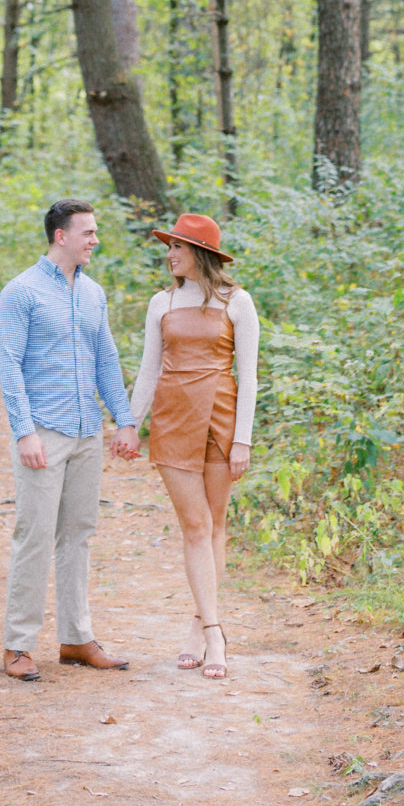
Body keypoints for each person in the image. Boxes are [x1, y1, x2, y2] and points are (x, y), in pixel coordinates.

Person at [0, 197, 139, 682]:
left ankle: (76, 638)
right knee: (34, 536)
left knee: (78, 535)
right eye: (89, 232)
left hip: (85, 432)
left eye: (95, 233)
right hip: (44, 433)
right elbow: (9, 366)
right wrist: (24, 431)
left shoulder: (94, 294)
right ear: (62, 236)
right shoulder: (22, 292)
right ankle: (17, 645)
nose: (95, 240)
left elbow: (106, 360)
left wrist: (124, 419)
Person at [129, 212, 260, 681]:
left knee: (216, 524)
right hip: (173, 416)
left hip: (222, 419)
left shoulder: (237, 301)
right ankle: (216, 632)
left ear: (199, 253)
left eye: (177, 248)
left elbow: (250, 377)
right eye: (169, 247)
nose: (169, 255)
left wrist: (242, 438)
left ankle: (199, 630)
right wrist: (129, 424)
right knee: (195, 524)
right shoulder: (160, 303)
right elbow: (148, 370)